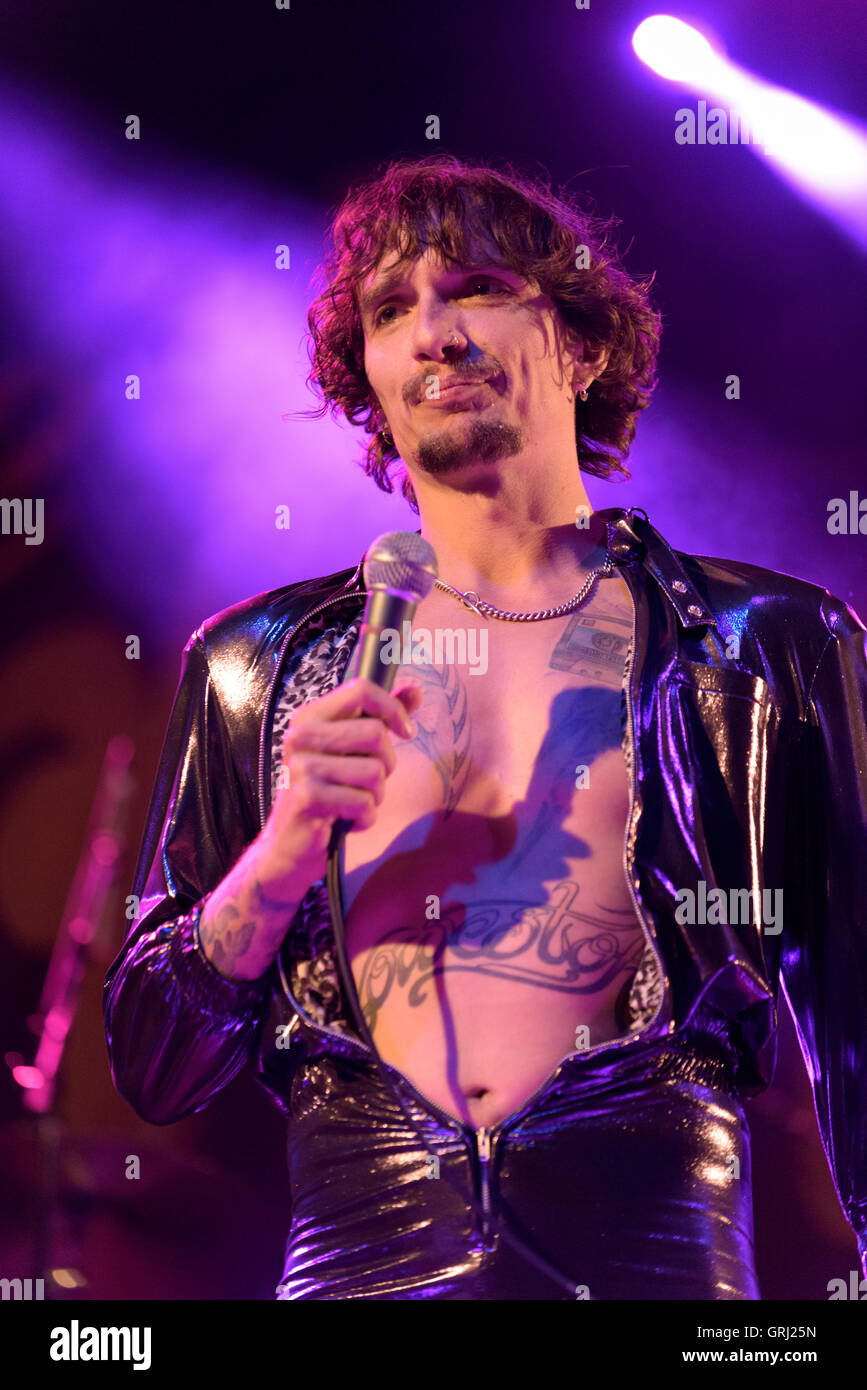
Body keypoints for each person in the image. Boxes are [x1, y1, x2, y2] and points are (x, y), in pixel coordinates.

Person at [103, 154, 867, 1300]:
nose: (434, 333)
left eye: (476, 288)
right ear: (366, 374)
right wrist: (281, 853)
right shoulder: (253, 666)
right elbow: (155, 1063)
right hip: (356, 1267)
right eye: (390, 310)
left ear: (582, 344)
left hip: (661, 1269)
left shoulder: (766, 648)